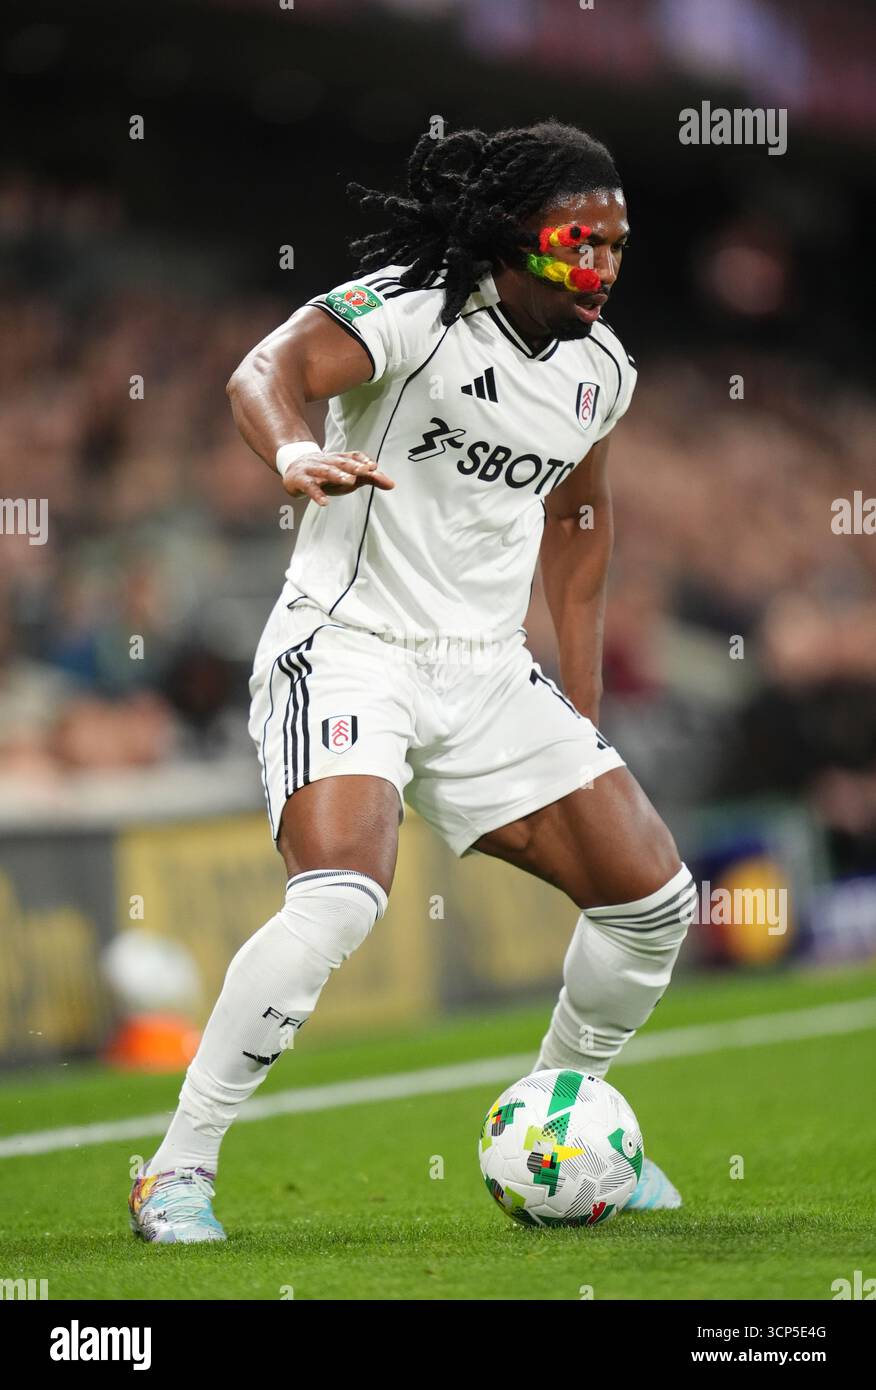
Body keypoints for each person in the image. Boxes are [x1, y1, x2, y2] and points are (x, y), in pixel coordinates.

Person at [129, 121, 694, 1242]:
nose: (608, 267)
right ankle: (177, 1168)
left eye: (621, 245)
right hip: (350, 645)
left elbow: (579, 515)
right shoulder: (417, 312)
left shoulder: (602, 371)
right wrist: (293, 452)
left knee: (652, 907)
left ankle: (557, 1116)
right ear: (519, 235)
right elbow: (267, 370)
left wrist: (576, 703)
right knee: (341, 895)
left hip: (487, 672)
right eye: (586, 242)